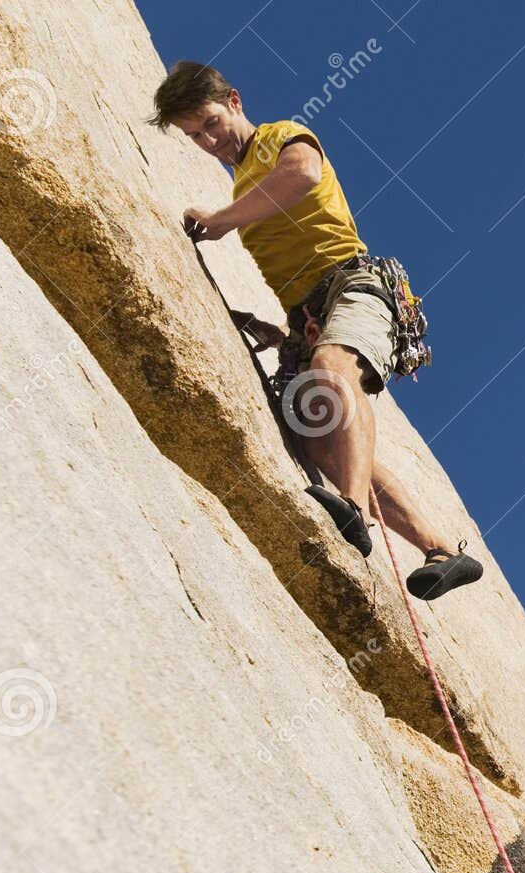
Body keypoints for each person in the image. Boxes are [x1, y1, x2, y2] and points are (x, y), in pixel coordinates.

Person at [150, 60, 481, 601]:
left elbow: (303, 175)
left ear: (234, 101)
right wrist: (281, 335)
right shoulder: (242, 179)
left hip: (353, 285)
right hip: (308, 314)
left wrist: (222, 220)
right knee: (320, 441)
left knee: (332, 371)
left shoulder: (278, 137)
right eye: (193, 136)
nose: (207, 141)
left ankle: (352, 508)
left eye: (209, 123)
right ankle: (442, 550)